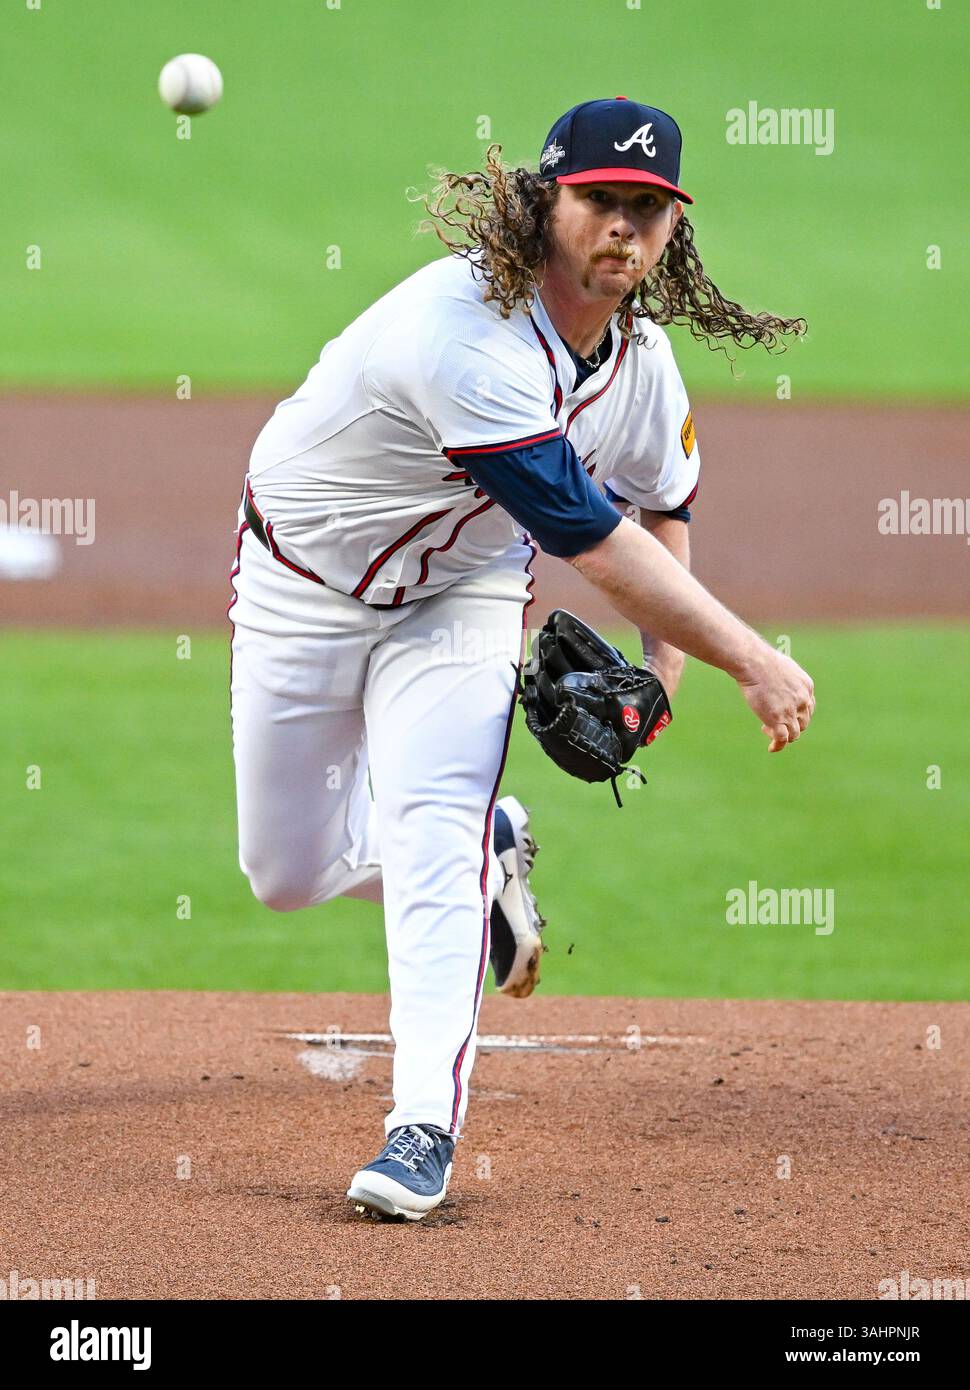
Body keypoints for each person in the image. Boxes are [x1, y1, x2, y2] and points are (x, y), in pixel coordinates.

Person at [228, 97, 815, 1221]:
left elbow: (662, 499)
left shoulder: (640, 363)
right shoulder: (466, 331)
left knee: (431, 820)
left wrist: (666, 672)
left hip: (461, 597)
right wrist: (751, 658)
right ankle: (488, 857)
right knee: (285, 874)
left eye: (649, 211)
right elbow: (593, 537)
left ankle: (419, 1133)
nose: (625, 229)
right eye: (602, 200)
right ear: (545, 200)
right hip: (300, 582)